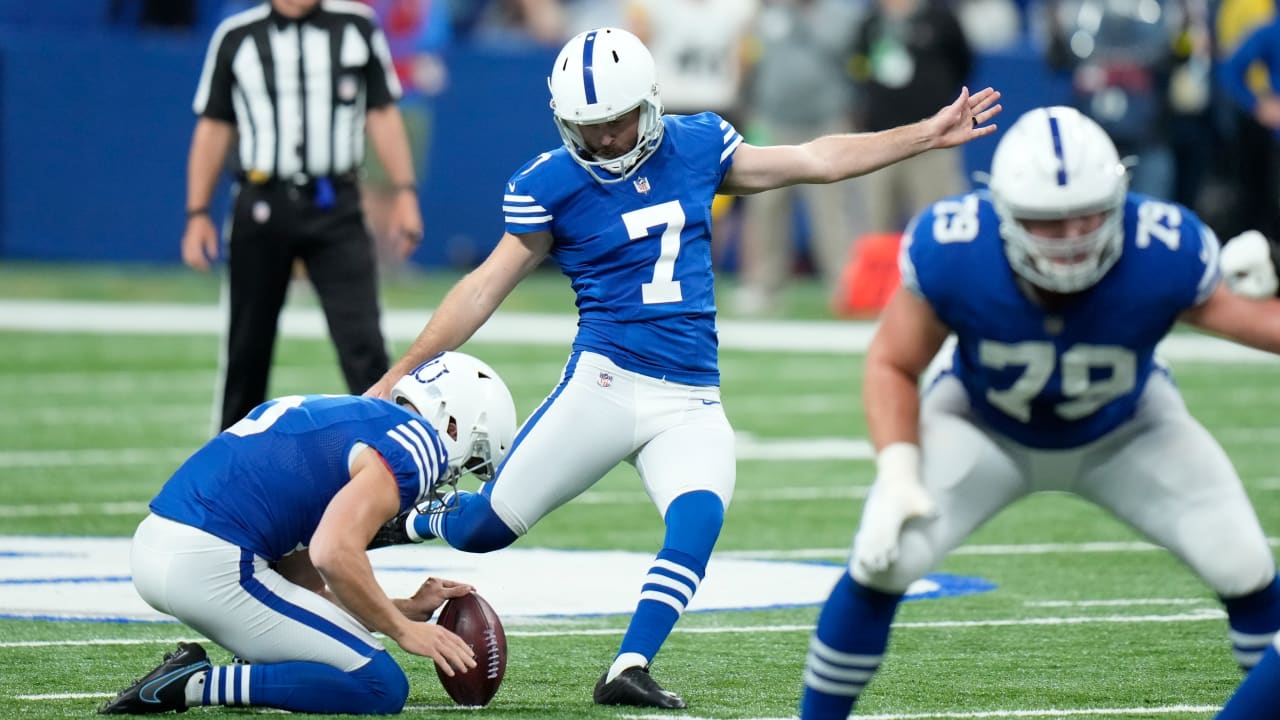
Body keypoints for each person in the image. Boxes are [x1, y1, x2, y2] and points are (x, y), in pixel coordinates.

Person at [361, 26, 1002, 709]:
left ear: (651, 102)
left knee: (698, 519)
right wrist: (399, 372)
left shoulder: (699, 145)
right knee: (484, 530)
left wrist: (921, 134)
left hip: (692, 397)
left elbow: (817, 157)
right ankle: (415, 520)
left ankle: (627, 667)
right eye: (590, 127)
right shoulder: (550, 184)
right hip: (604, 383)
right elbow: (483, 288)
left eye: (617, 122)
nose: (605, 140)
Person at [798, 105, 1280, 719]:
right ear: (1001, 211)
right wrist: (897, 472)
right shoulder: (955, 249)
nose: (1073, 237)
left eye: (1087, 215)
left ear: (1120, 199)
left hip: (1126, 426)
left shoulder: (1163, 245)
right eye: (1049, 224)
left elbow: (1262, 325)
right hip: (981, 422)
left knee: (1244, 562)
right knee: (882, 558)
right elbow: (893, 362)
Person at [98, 351, 518, 715]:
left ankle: (259, 667)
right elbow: (333, 552)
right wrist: (403, 631)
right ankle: (195, 684)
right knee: (382, 687)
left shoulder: (351, 417)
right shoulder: (415, 443)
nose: (451, 478)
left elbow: (304, 588)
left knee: (332, 649)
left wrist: (405, 608)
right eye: (469, 462)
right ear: (452, 425)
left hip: (160, 547)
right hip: (212, 562)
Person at [181, 0, 424, 434]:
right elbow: (215, 124)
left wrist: (404, 192)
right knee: (247, 348)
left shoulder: (356, 27)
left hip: (336, 204)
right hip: (261, 203)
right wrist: (197, 211)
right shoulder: (238, 36)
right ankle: (231, 471)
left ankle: (392, 456)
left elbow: (382, 112)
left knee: (364, 343)